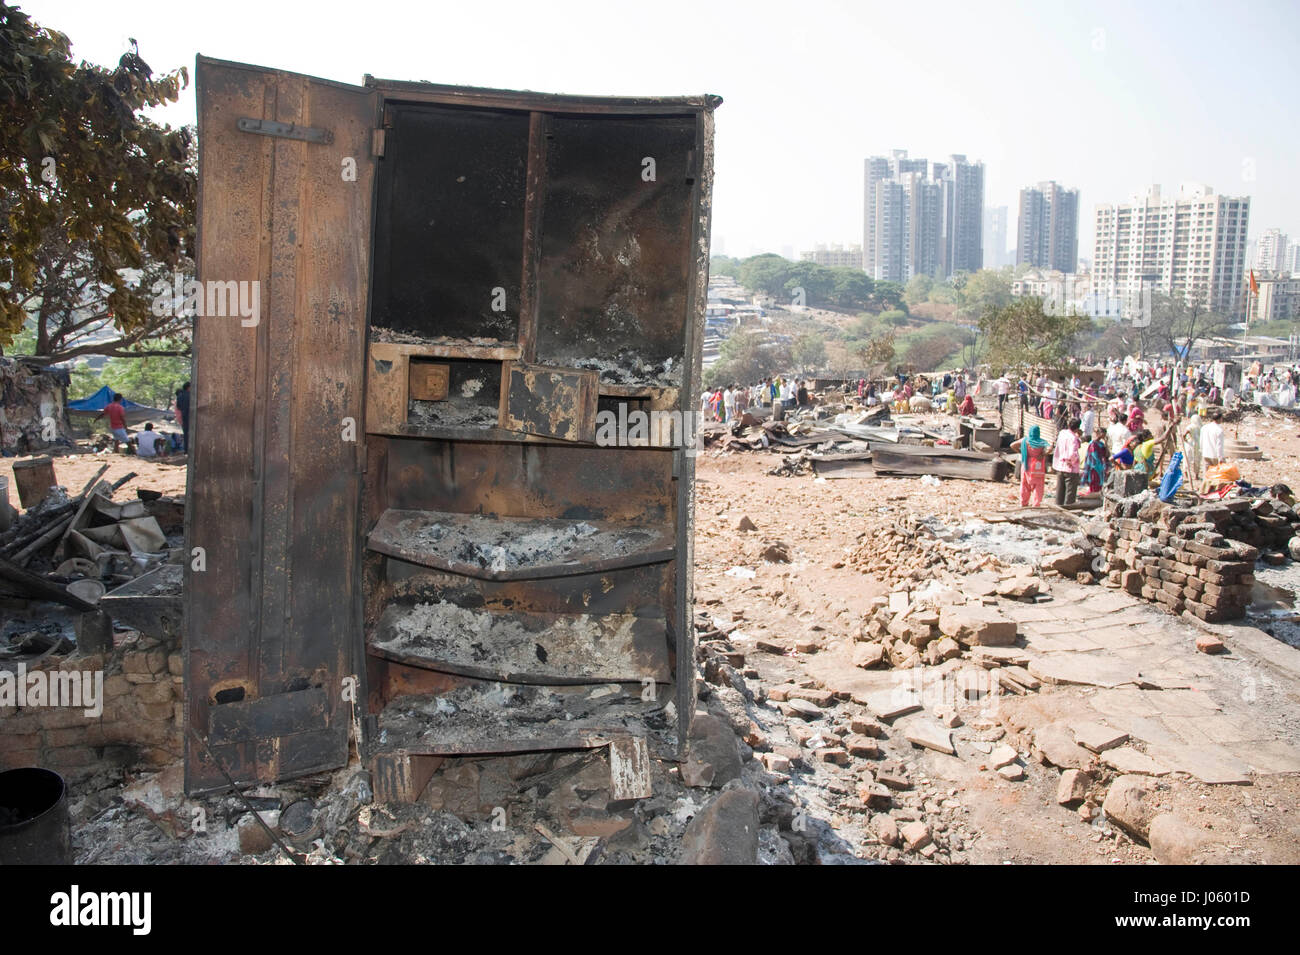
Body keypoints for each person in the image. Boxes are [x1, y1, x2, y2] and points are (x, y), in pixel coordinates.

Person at [1011, 425, 1049, 507]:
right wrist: (1043, 454)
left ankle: (1023, 503)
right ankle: (1036, 504)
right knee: (1038, 486)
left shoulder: (1025, 441)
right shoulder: (1041, 442)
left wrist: (1021, 452)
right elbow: (1049, 448)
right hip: (1038, 467)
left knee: (1025, 485)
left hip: (1026, 465)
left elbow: (1012, 445)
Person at [1053, 418, 1083, 505]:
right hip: (1070, 468)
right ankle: (1068, 509)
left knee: (1060, 491)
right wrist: (1072, 461)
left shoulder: (1062, 433)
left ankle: (1058, 508)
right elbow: (1072, 454)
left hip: (1060, 465)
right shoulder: (1073, 438)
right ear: (1077, 428)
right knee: (1070, 493)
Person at [1081, 429, 1109, 495]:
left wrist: (1106, 443)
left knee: (1099, 481)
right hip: (1093, 466)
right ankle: (1093, 494)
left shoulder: (1101, 444)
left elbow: (1106, 454)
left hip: (1100, 466)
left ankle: (1096, 494)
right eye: (1103, 433)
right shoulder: (1093, 444)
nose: (1104, 435)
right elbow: (1093, 456)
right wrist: (1096, 464)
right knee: (1094, 481)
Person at [176, 382, 191, 452]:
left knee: (186, 434)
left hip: (184, 416)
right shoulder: (191, 395)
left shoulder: (179, 396)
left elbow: (178, 407)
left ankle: (186, 450)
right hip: (192, 417)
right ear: (189, 387)